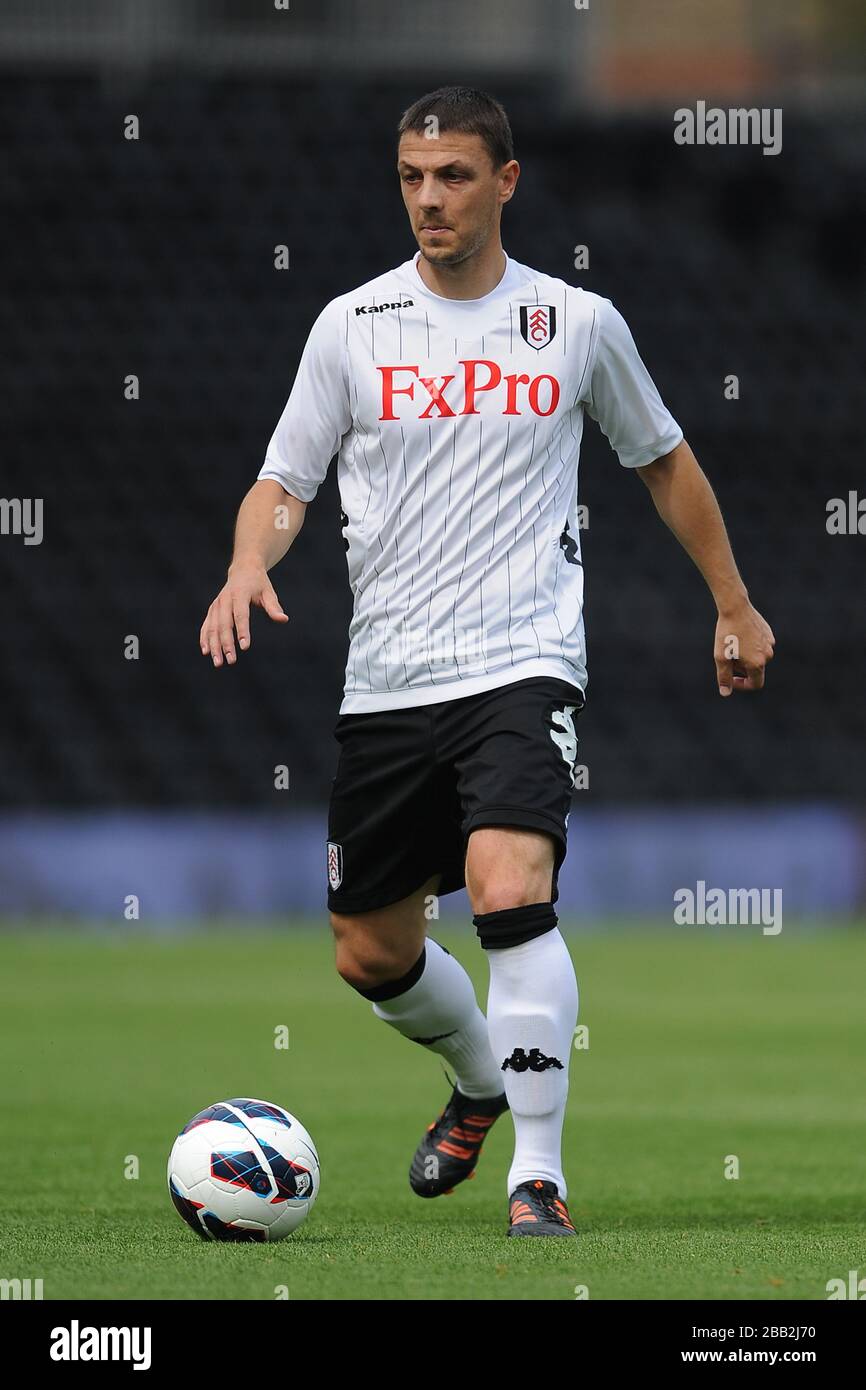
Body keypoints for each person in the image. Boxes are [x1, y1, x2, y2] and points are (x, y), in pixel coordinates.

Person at [199, 85, 775, 1237]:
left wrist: (733, 602)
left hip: (522, 659)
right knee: (370, 951)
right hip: (388, 681)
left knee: (511, 887)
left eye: (453, 175)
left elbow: (662, 459)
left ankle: (538, 1177)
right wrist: (243, 562)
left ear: (504, 183)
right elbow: (284, 481)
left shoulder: (574, 323)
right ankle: (477, 1083)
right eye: (412, 177)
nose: (429, 199)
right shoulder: (349, 327)